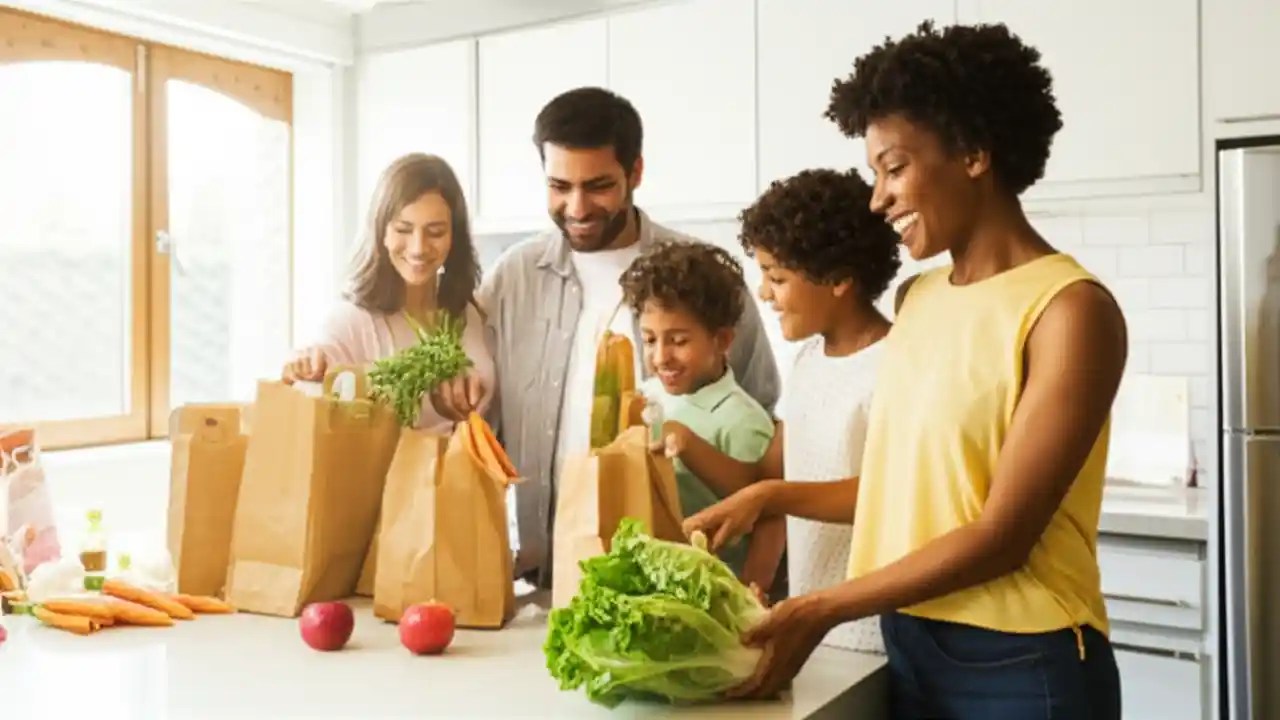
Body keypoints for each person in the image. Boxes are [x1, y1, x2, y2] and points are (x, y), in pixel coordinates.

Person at [684, 21, 1126, 719]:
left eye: (894, 168)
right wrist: (771, 497)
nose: (878, 197)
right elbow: (901, 488)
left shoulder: (1069, 311)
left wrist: (822, 606)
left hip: (1018, 660)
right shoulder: (918, 299)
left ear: (975, 151)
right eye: (874, 175)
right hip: (910, 639)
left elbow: (1001, 537)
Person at [478, 86, 780, 583]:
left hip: (669, 576)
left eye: (597, 185)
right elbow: (482, 418)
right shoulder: (513, 277)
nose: (576, 207)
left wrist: (760, 577)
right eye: (559, 186)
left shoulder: (702, 274)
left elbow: (762, 422)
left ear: (635, 172)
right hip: (545, 573)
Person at [664, 167, 900, 651]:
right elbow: (762, 477)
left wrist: (772, 497)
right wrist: (683, 443)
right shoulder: (811, 358)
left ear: (838, 279)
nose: (765, 294)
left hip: (874, 630)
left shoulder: (895, 363)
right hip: (814, 623)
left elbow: (891, 493)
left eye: (777, 276)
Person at [282, 153, 493, 433]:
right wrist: (302, 366)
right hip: (391, 477)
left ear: (455, 236)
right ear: (381, 232)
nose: (418, 247)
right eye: (403, 230)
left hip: (466, 474)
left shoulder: (467, 312)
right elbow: (309, 387)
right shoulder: (352, 319)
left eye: (435, 232)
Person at [617, 240, 777, 586]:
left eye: (678, 341)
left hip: (716, 587)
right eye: (649, 340)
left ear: (722, 340)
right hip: (653, 581)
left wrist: (689, 445)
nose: (661, 358)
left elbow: (762, 508)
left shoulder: (743, 421)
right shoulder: (646, 396)